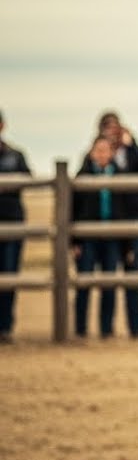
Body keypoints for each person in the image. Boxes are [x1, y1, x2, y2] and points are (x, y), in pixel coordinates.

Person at [93, 111, 138, 337]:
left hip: (130, 220)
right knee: (107, 279)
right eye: (107, 127)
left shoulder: (129, 153)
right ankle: (105, 328)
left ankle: (135, 327)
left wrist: (132, 145)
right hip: (106, 226)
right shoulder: (96, 155)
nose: (111, 131)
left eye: (115, 127)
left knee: (132, 276)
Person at [72, 136, 126, 338]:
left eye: (106, 150)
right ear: (92, 152)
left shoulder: (119, 175)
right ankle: (80, 328)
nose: (102, 154)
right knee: (83, 283)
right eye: (98, 150)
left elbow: (124, 210)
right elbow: (73, 209)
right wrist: (75, 241)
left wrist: (125, 243)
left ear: (112, 153)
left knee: (109, 284)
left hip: (111, 236)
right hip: (87, 237)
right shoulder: (83, 174)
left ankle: (106, 327)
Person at [0, 110, 31, 343]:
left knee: (10, 274)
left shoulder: (15, 155)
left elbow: (28, 180)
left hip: (12, 222)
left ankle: (6, 327)